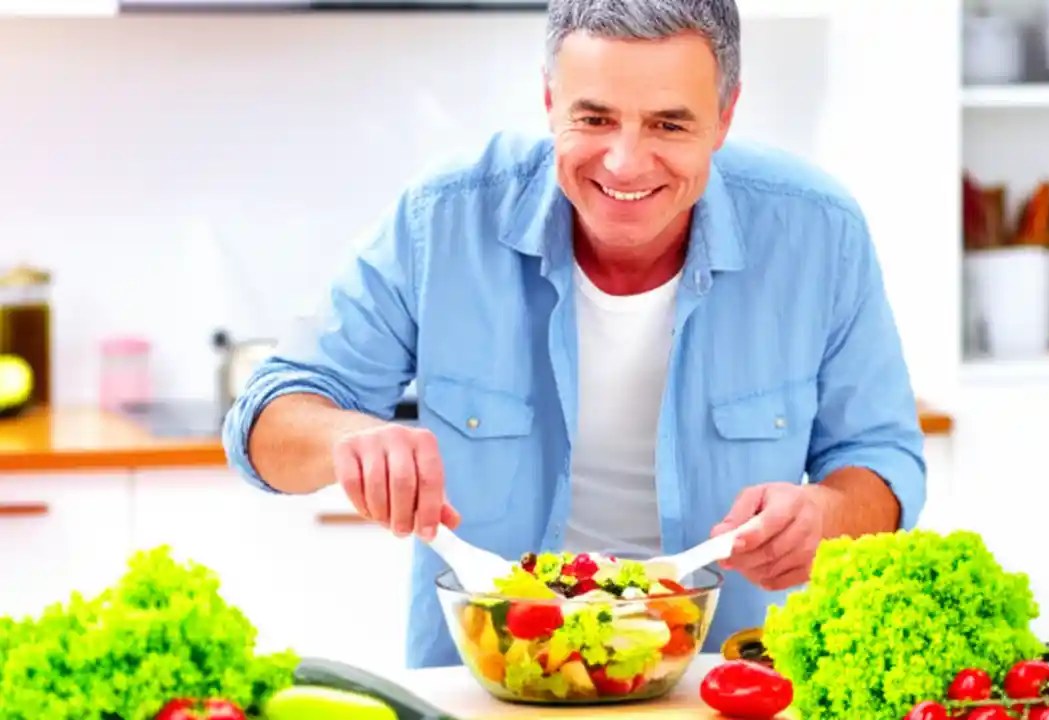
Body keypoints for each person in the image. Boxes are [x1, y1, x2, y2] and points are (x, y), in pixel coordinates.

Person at [222, 0, 926, 669]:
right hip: (489, 685)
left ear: (724, 115)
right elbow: (266, 419)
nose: (624, 163)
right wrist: (345, 440)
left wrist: (826, 514)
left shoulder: (815, 230)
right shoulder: (443, 221)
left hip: (732, 683)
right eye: (594, 118)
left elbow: (880, 458)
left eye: (669, 125)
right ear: (550, 101)